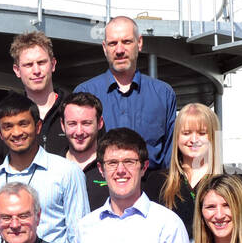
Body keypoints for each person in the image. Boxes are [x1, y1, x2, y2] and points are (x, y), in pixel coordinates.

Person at [0, 93, 89, 243]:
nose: (17, 132)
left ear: (38, 127)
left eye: (23, 124)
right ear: (0, 134)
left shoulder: (67, 172)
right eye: (8, 126)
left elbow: (80, 236)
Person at [74, 16, 177, 168]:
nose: (119, 50)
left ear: (139, 43)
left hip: (151, 186)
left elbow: (170, 155)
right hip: (100, 186)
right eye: (113, 43)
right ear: (104, 48)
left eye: (126, 42)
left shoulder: (163, 94)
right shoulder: (85, 92)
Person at [159, 102, 242, 237]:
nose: (194, 140)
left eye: (201, 133)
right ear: (177, 137)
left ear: (213, 135)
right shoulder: (159, 181)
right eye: (186, 133)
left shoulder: (234, 178)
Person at [0, 31, 69, 164]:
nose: (36, 71)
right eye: (28, 65)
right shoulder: (4, 116)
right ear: (17, 70)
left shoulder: (73, 109)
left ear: (53, 64)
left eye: (41, 62)